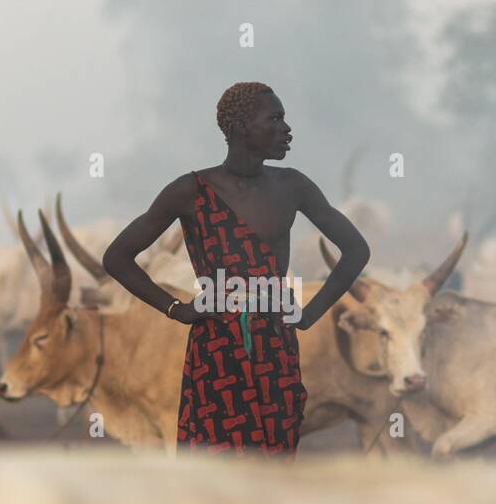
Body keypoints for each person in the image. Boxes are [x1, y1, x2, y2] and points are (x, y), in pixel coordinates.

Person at [102, 81, 370, 456]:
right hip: (215, 350)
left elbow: (356, 250)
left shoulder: (293, 186)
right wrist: (176, 309)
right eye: (274, 119)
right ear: (242, 127)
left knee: (274, 457)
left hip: (275, 345)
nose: (286, 129)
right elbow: (117, 257)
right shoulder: (190, 191)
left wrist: (310, 314)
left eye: (284, 119)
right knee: (212, 465)